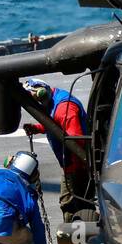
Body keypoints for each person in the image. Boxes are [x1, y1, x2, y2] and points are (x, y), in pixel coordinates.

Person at [21, 79, 90, 220]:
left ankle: (74, 237)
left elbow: (76, 141)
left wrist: (71, 169)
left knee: (71, 203)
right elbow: (56, 124)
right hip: (70, 163)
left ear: (41, 92)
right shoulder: (53, 101)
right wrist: (38, 128)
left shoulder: (65, 108)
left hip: (77, 165)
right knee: (77, 202)